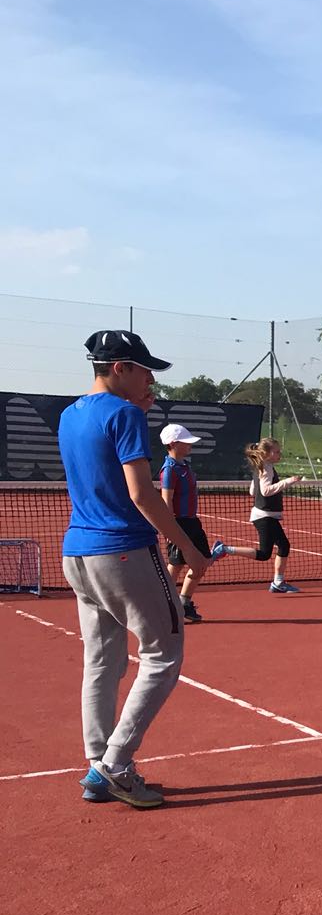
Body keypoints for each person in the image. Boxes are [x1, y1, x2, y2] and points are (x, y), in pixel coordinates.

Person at [64, 331, 212, 809]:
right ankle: (116, 766)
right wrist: (188, 546)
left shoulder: (70, 415)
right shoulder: (124, 414)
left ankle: (98, 763)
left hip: (78, 554)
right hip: (123, 551)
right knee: (163, 655)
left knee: (102, 661)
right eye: (144, 368)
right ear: (118, 368)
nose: (151, 378)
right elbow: (141, 493)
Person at [159, 421, 228, 622]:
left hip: (193, 523)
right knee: (176, 566)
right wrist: (169, 529)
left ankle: (184, 602)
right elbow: (166, 500)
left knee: (203, 563)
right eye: (185, 442)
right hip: (178, 523)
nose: (190, 445)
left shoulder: (185, 466)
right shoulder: (169, 469)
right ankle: (164, 607)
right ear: (172, 444)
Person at [220, 438, 302, 591]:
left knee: (283, 546)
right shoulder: (266, 468)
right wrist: (289, 481)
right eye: (276, 452)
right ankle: (224, 549)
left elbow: (253, 491)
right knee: (266, 553)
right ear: (266, 453)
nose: (279, 454)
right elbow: (265, 491)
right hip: (265, 516)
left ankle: (278, 583)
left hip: (265, 515)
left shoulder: (262, 467)